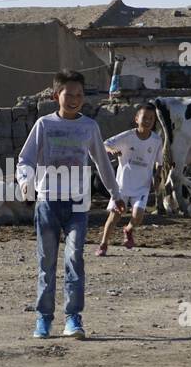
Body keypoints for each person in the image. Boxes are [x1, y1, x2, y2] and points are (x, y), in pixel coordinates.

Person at [16, 71, 126, 339]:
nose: (75, 99)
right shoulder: (44, 125)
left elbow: (102, 162)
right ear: (57, 96)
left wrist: (116, 193)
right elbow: (25, 159)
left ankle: (73, 319)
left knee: (74, 258)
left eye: (79, 94)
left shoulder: (89, 127)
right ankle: (44, 319)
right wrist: (25, 180)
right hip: (48, 202)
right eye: (69, 94)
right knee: (47, 262)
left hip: (78, 204)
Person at [97, 103, 163, 256]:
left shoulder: (156, 140)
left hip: (142, 186)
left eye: (151, 118)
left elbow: (160, 161)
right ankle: (103, 244)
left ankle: (128, 229)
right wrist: (112, 150)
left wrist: (158, 175)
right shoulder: (127, 136)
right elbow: (105, 144)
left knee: (138, 216)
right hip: (122, 185)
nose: (147, 121)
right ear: (136, 119)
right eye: (144, 117)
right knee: (115, 216)